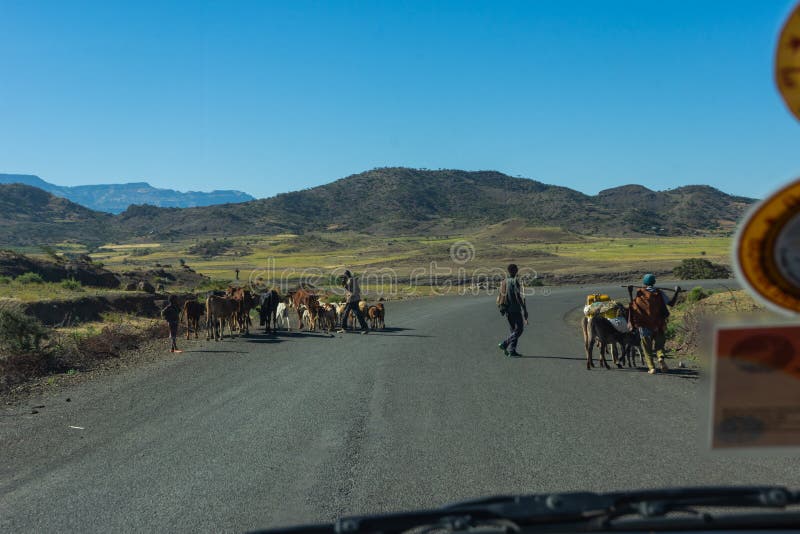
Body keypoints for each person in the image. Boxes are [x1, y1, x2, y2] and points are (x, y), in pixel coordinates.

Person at [628, 274, 681, 374]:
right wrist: (676, 292)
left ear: (644, 283)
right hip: (658, 325)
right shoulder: (659, 293)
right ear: (654, 282)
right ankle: (660, 357)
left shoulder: (639, 293)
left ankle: (652, 368)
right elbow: (671, 303)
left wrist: (630, 293)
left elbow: (633, 306)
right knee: (659, 345)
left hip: (644, 325)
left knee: (647, 348)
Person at [497, 263, 528, 357]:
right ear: (514, 270)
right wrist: (524, 309)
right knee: (519, 330)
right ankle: (505, 344)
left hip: (506, 309)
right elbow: (518, 296)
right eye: (516, 269)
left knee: (513, 332)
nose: (518, 270)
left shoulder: (504, 281)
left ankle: (512, 351)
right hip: (515, 309)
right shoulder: (515, 281)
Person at [337, 270, 369, 334]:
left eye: (344, 277)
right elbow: (358, 290)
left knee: (344, 314)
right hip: (356, 299)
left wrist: (344, 284)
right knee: (358, 314)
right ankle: (365, 328)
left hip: (351, 300)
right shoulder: (354, 280)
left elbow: (348, 289)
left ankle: (344, 328)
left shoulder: (350, 281)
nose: (343, 278)